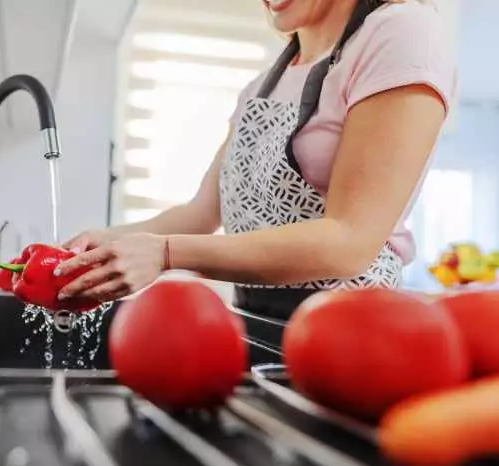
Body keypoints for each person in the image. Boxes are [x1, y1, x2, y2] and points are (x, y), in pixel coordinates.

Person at [54, 0, 456, 319]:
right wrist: (104, 245)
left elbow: (349, 241)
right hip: (259, 326)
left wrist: (163, 253)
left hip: (348, 331)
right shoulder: (264, 84)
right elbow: (200, 214)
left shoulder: (402, 33)